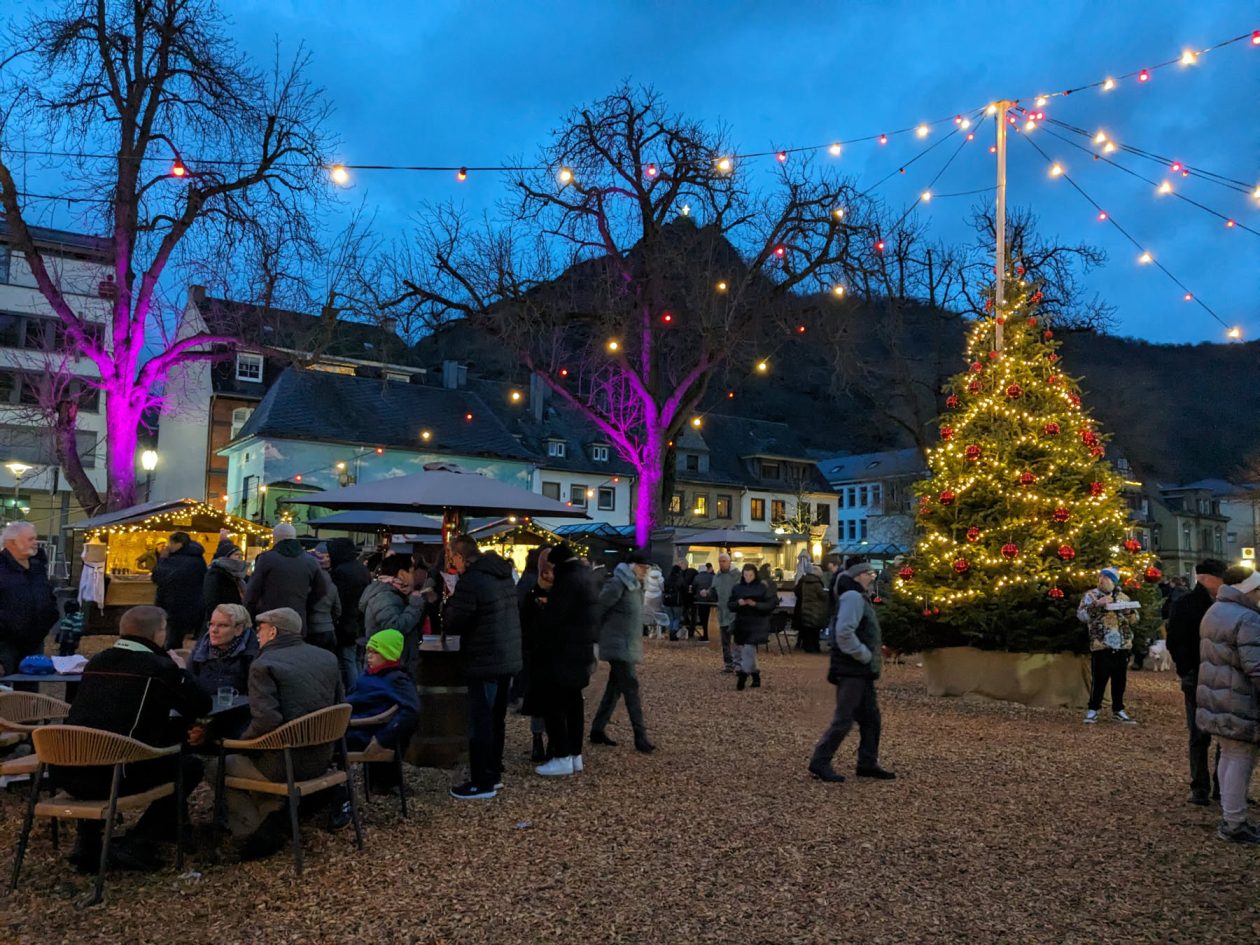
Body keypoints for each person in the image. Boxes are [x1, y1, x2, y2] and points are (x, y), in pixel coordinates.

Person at [54, 605, 210, 871]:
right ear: (157, 634)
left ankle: (88, 842)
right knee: (190, 766)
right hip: (118, 775)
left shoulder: (97, 661)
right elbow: (200, 705)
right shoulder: (159, 668)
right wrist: (181, 670)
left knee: (99, 741)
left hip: (68, 769)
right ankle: (140, 840)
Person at [217, 607, 346, 859]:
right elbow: (339, 705)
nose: (257, 634)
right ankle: (274, 815)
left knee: (216, 766)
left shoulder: (264, 665)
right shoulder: (328, 658)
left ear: (274, 632)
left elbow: (267, 721)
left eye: (261, 629)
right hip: (323, 758)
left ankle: (252, 829)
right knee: (252, 755)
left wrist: (240, 743)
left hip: (284, 764)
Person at [442, 535, 523, 800]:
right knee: (496, 718)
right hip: (506, 656)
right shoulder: (503, 575)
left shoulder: (471, 581)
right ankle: (493, 773)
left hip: (483, 658)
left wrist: (448, 602)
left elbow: (455, 621)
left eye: (452, 557)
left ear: (459, 556)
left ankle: (481, 781)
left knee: (481, 720)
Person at [808, 561, 895, 783]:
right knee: (844, 719)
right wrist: (864, 654)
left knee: (871, 718)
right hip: (852, 668)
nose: (872, 577)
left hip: (860, 669)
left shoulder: (857, 596)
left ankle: (867, 762)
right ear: (858, 576)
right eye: (868, 573)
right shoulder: (853, 597)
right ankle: (820, 761)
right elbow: (844, 632)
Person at [1196, 565, 1260, 844]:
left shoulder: (1216, 611)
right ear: (1248, 590)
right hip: (1239, 697)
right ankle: (1234, 822)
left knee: (1229, 754)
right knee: (1241, 757)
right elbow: (1255, 666)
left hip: (1218, 695)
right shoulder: (1248, 618)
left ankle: (1230, 815)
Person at [533, 544, 598, 777]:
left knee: (555, 704)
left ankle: (561, 756)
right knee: (574, 704)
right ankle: (575, 754)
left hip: (562, 652)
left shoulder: (567, 580)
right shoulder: (585, 577)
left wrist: (543, 608)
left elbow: (554, 618)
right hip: (581, 651)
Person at [1167, 559, 1228, 805]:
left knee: (1224, 734)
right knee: (1199, 733)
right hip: (1197, 674)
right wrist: (1187, 670)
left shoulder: (1223, 603)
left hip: (1219, 675)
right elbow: (1175, 640)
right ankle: (1201, 786)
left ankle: (1223, 786)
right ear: (1207, 578)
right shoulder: (1186, 604)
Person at [590, 548, 656, 753]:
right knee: (631, 689)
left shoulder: (635, 585)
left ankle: (597, 729)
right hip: (619, 644)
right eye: (643, 568)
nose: (646, 571)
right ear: (633, 567)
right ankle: (640, 736)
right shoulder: (618, 584)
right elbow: (599, 608)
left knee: (615, 688)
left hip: (627, 643)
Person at [346, 628, 420, 786]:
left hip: (362, 732)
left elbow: (411, 711)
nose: (369, 656)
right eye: (368, 651)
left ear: (388, 654)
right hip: (348, 723)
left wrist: (382, 739)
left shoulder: (396, 680)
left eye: (375, 652)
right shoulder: (370, 673)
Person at [1078, 567, 1140, 724]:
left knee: (1120, 679)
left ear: (1114, 581)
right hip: (1101, 643)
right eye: (1101, 578)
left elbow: (1135, 619)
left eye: (1107, 578)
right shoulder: (1091, 596)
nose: (1102, 581)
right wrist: (1097, 604)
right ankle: (1093, 709)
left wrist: (1129, 612)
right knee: (1099, 678)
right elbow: (1082, 615)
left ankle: (1118, 709)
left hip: (1122, 644)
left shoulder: (1123, 597)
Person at [0, 521, 58, 676]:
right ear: (13, 542)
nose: (35, 542)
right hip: (5, 643)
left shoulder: (37, 567)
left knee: (30, 687)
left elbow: (47, 595)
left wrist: (50, 616)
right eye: (30, 539)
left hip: (34, 642)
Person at [244, 523, 324, 635]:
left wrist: (249, 613)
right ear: (294, 537)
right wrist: (305, 604)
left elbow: (253, 591)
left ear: (275, 538)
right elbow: (322, 589)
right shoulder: (310, 560)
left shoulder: (267, 559)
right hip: (298, 618)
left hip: (270, 617)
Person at [359, 555, 426, 673]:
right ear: (402, 574)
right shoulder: (384, 597)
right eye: (411, 572)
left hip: (395, 664)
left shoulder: (396, 594)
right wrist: (414, 605)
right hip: (385, 666)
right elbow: (394, 628)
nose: (414, 576)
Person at [517, 546, 553, 762]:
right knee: (546, 698)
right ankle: (543, 741)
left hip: (536, 650)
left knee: (541, 698)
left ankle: (539, 741)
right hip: (542, 651)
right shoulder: (536, 589)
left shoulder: (528, 587)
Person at [188, 604, 259, 702]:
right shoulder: (200, 651)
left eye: (222, 625)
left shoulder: (253, 655)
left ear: (238, 629)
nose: (214, 630)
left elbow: (257, 697)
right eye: (211, 624)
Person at [327, 537, 371, 691]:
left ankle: (355, 692)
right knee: (357, 659)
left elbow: (339, 600)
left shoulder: (340, 572)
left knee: (348, 660)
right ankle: (361, 689)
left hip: (346, 623)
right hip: (361, 622)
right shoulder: (361, 569)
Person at [151, 531, 207, 649]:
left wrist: (162, 559)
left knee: (171, 638)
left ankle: (170, 657)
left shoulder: (176, 560)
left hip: (173, 603)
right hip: (191, 603)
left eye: (171, 543)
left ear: (179, 544)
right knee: (176, 637)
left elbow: (158, 577)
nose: (168, 546)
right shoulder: (198, 558)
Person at [729, 563, 777, 690]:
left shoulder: (763, 588)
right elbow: (730, 605)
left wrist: (755, 604)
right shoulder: (737, 588)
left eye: (750, 575)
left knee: (748, 649)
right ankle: (755, 676)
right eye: (746, 575)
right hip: (742, 623)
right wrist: (738, 603)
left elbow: (771, 604)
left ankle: (743, 675)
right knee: (747, 650)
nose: (748, 578)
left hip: (758, 623)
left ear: (755, 575)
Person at [203, 539, 248, 631]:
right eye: (236, 554)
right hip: (221, 619)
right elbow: (211, 598)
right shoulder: (216, 574)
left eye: (241, 555)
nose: (239, 557)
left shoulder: (240, 577)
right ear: (226, 556)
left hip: (236, 618)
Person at [305, 544, 341, 654]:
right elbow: (337, 610)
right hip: (329, 628)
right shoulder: (333, 586)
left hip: (312, 629)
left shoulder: (309, 585)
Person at [712, 553, 741, 672]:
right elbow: (713, 590)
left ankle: (738, 663)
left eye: (724, 561)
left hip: (735, 612)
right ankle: (728, 664)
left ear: (729, 562)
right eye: (720, 561)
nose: (721, 563)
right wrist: (707, 593)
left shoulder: (737, 575)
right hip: (723, 612)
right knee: (725, 640)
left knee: (738, 640)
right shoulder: (717, 576)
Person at [794, 564, 829, 654]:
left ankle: (808, 646)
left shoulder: (805, 581)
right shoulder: (817, 583)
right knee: (815, 630)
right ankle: (814, 647)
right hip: (815, 609)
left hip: (805, 607)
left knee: (808, 629)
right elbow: (822, 595)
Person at [663, 564, 686, 640]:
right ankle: (674, 632)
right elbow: (684, 589)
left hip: (667, 601)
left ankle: (670, 632)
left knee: (670, 618)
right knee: (677, 618)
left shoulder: (667, 578)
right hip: (677, 601)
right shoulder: (680, 579)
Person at [680, 562, 699, 638]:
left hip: (684, 598)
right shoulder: (694, 572)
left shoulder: (681, 574)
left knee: (685, 614)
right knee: (693, 615)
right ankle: (691, 631)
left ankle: (686, 630)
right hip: (693, 598)